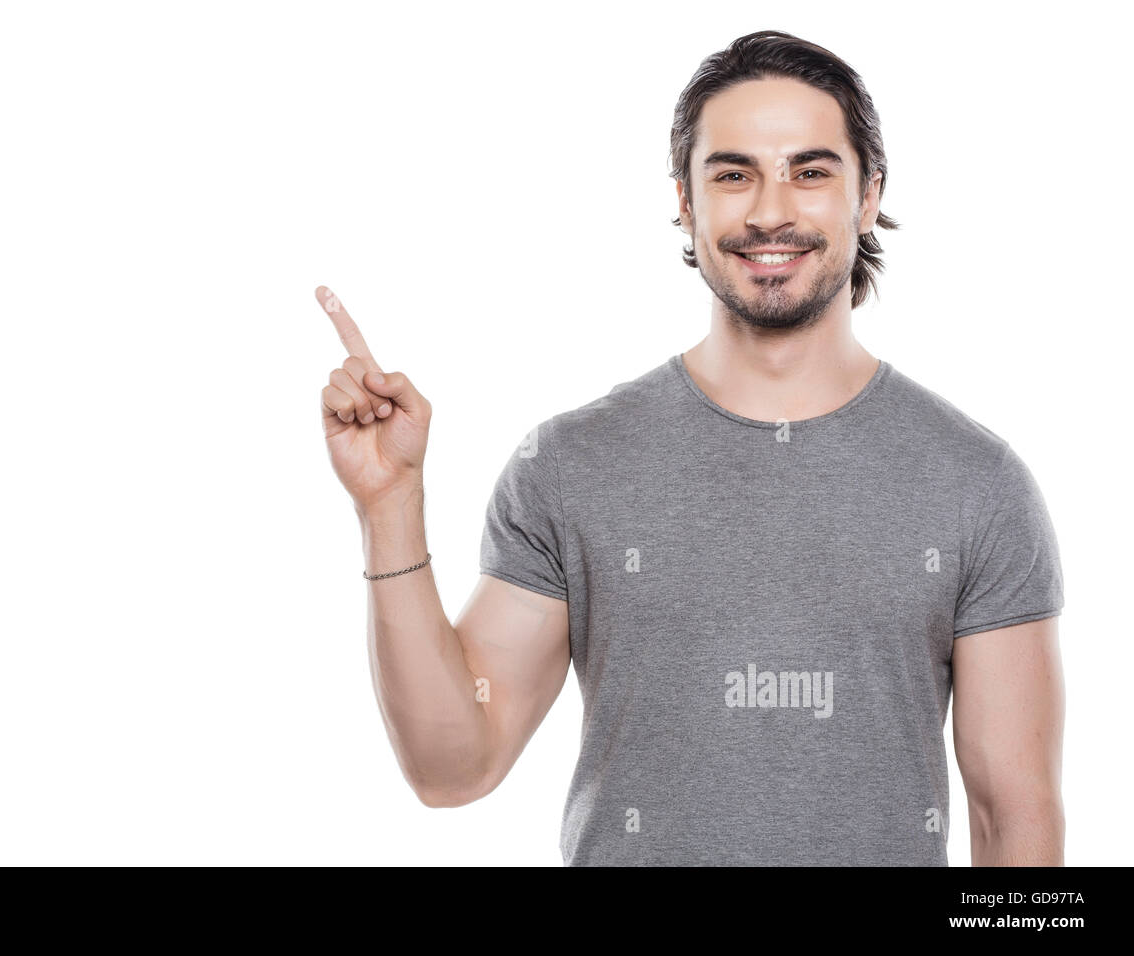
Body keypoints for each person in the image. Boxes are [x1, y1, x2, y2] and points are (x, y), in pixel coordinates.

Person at [315, 30, 1065, 866]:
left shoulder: (975, 483)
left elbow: (1015, 820)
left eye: (810, 172)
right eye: (733, 173)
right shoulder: (570, 467)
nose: (770, 210)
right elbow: (452, 768)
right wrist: (390, 510)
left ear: (866, 195)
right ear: (685, 199)